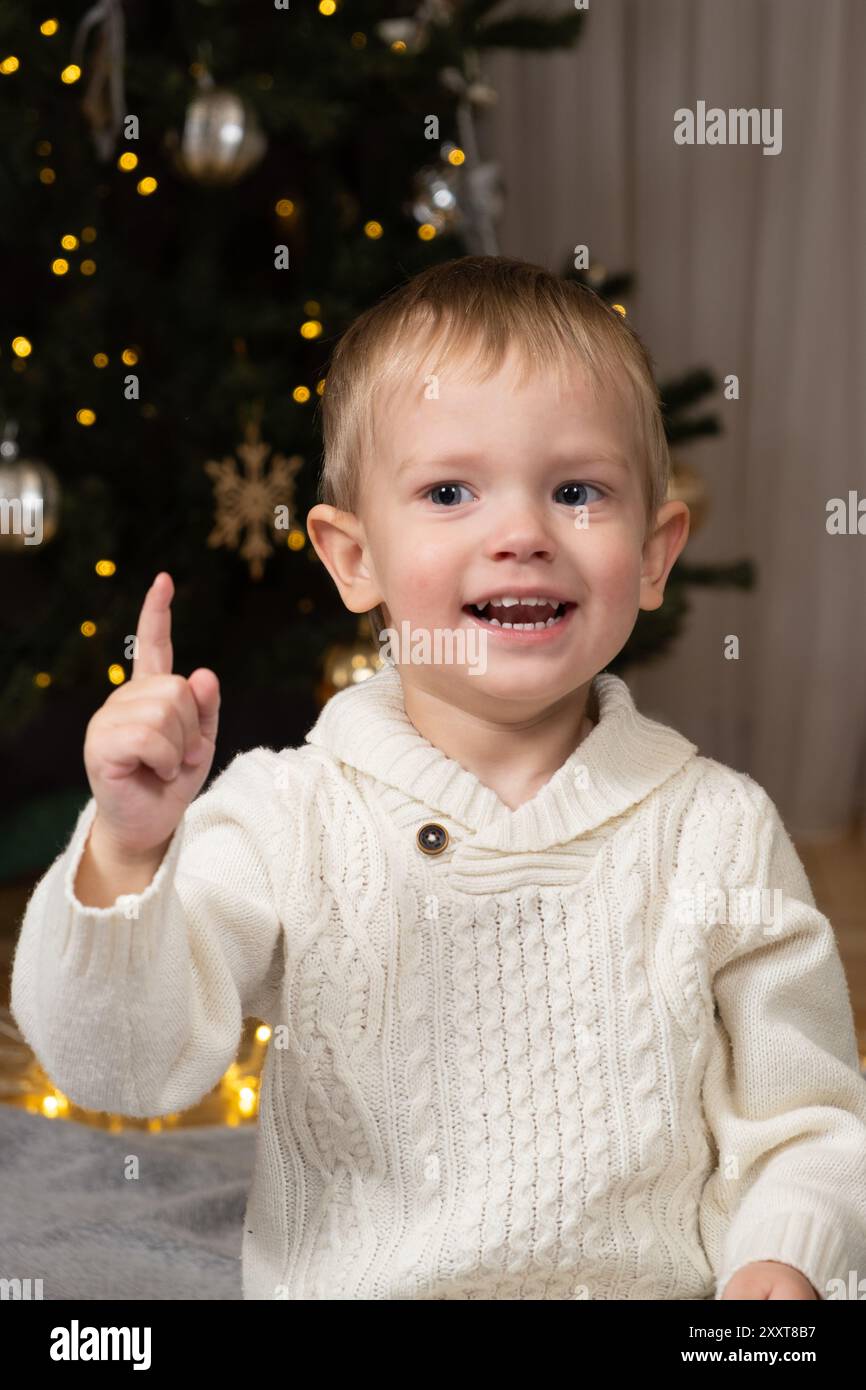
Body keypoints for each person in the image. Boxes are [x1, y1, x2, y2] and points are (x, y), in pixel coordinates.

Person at [11, 256, 866, 1301]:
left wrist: (782, 1258)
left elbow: (808, 1120)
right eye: (449, 491)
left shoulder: (717, 829)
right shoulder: (290, 811)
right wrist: (128, 850)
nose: (519, 536)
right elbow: (122, 1067)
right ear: (351, 558)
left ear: (652, 553)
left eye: (576, 491)